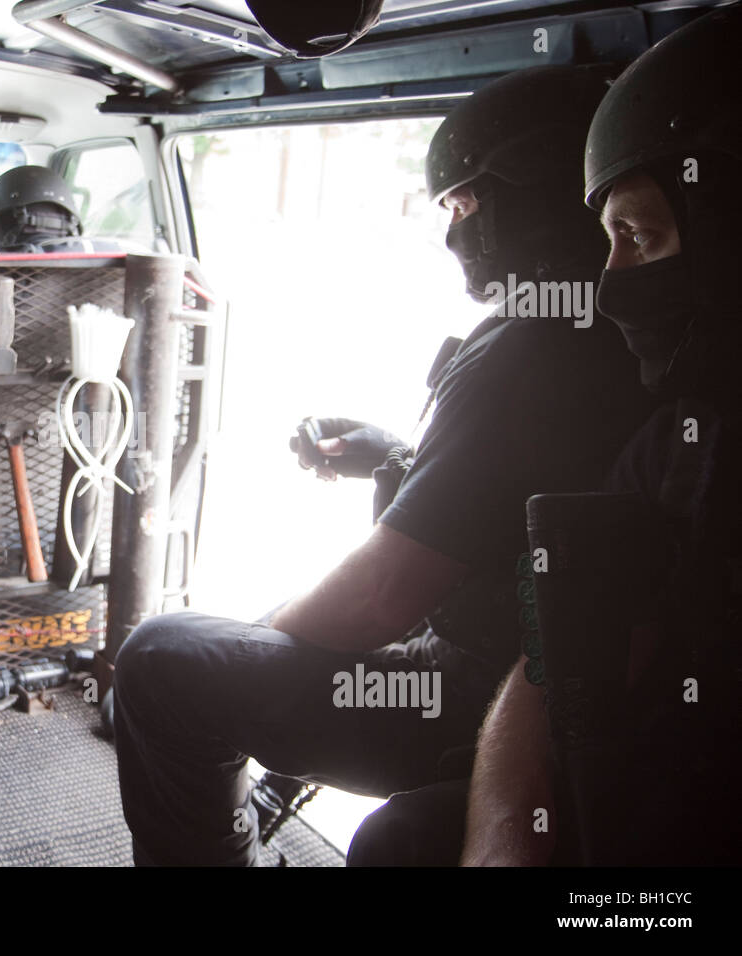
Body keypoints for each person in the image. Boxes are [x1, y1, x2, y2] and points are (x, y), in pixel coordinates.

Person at [111, 64, 657, 866]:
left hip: (479, 695)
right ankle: (269, 787)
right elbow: (509, 488)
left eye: (465, 204)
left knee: (166, 662)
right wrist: (395, 455)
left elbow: (376, 602)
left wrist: (249, 654)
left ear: (531, 192)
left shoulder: (529, 347)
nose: (453, 233)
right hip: (551, 682)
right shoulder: (611, 328)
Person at [462, 5, 742, 866]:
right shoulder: (685, 441)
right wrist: (504, 839)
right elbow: (558, 649)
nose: (611, 280)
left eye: (638, 235)